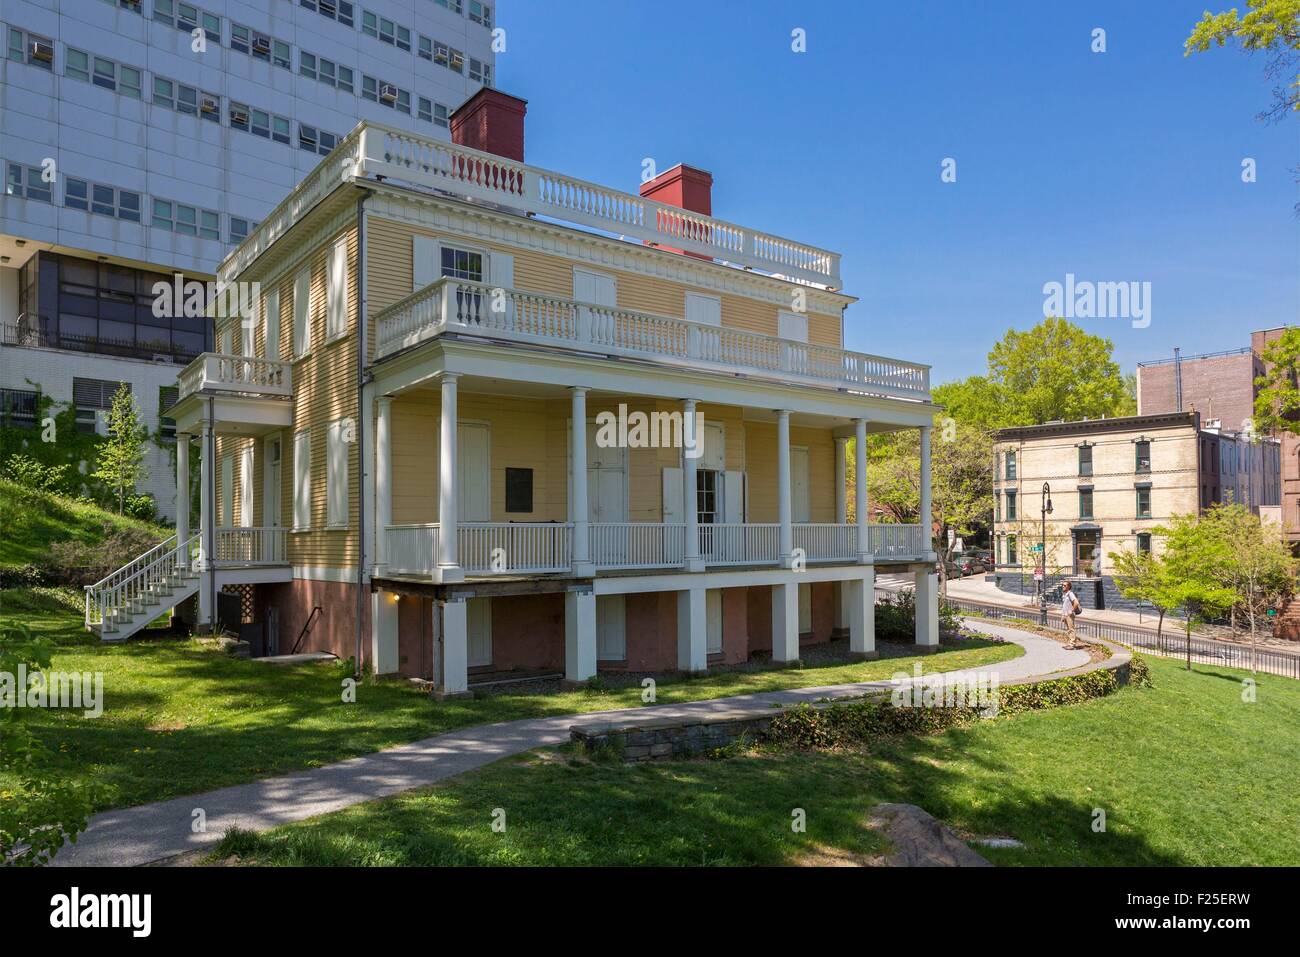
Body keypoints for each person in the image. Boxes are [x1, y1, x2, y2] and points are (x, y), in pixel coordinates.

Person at [1061, 580, 1082, 648]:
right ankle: (1070, 643)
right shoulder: (1065, 594)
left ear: (1069, 586)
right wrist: (1063, 615)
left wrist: (1071, 611)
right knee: (1068, 629)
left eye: (1065, 585)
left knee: (1071, 629)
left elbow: (1076, 603)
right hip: (1066, 614)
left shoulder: (1070, 594)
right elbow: (1065, 605)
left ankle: (1072, 644)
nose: (1063, 586)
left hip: (1069, 615)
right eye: (1062, 585)